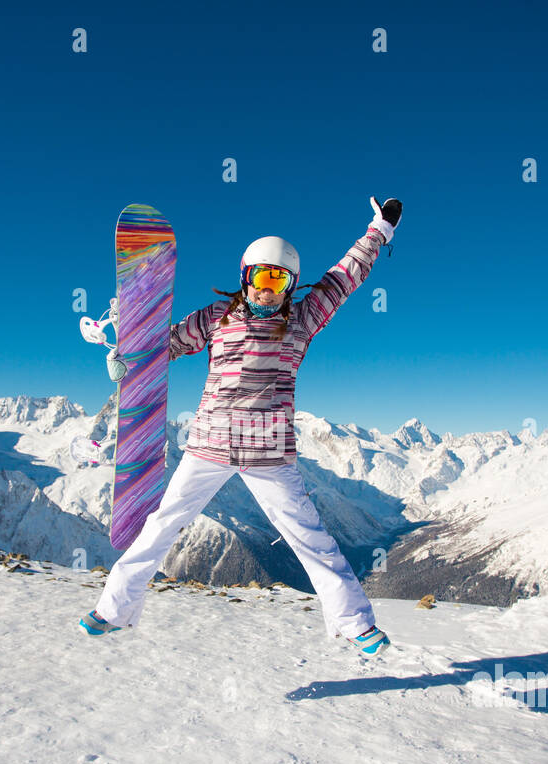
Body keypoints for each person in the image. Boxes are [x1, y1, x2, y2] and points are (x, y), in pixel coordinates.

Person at [79, 196, 403, 657]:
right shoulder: (216, 318)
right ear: (246, 276)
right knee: (161, 526)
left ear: (291, 285)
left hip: (269, 454)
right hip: (208, 446)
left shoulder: (304, 320)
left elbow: (345, 277)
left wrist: (380, 229)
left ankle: (354, 624)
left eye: (281, 279)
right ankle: (114, 610)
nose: (269, 288)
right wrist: (126, 360)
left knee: (311, 540)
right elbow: (164, 345)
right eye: (262, 276)